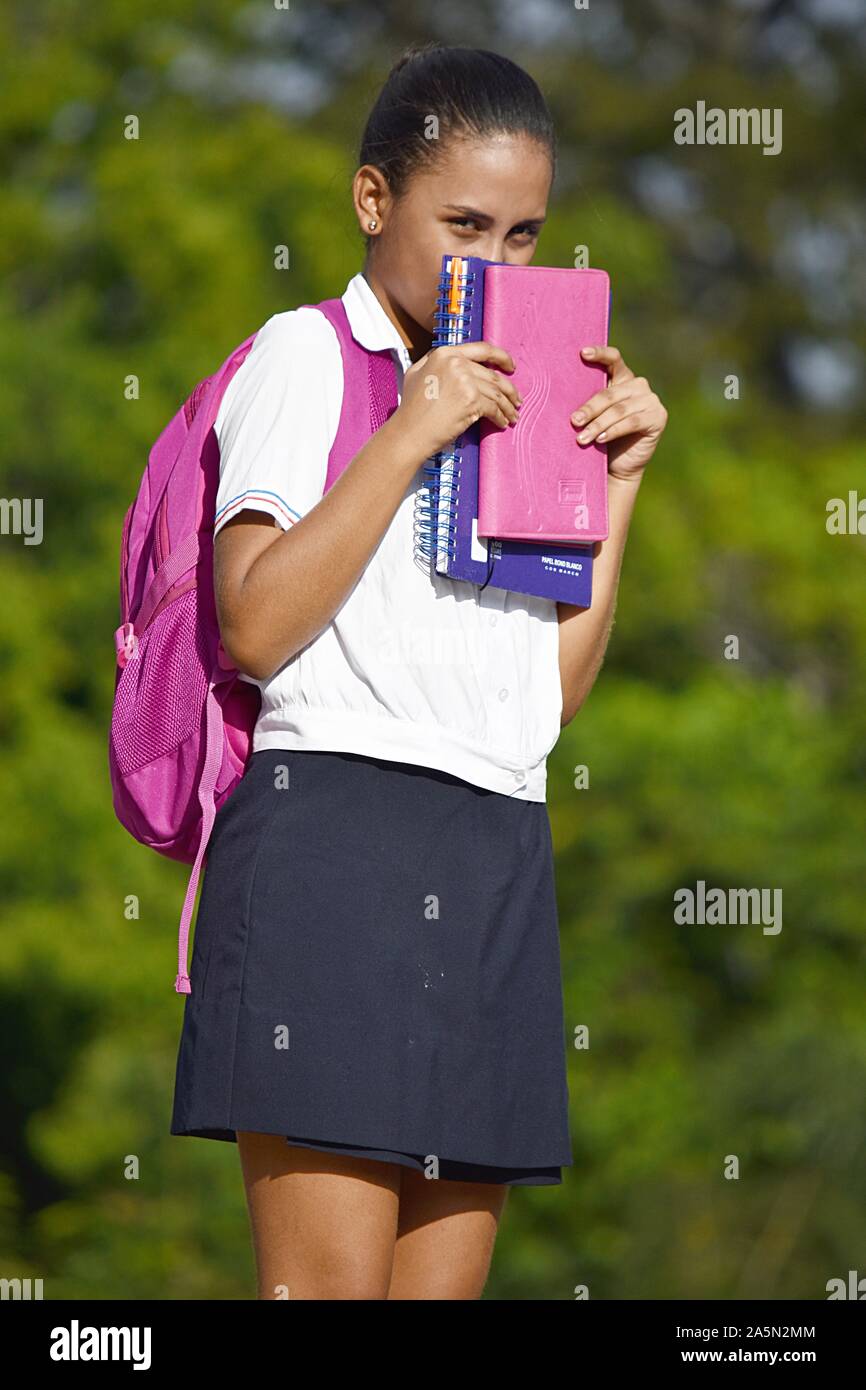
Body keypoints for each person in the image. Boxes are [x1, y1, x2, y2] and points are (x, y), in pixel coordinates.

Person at [170, 40, 668, 1300]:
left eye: (521, 234)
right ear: (372, 201)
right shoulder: (306, 354)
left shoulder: (528, 400)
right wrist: (412, 428)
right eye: (463, 224)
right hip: (334, 843)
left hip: (494, 847)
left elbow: (539, 703)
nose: (494, 267)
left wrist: (617, 493)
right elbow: (252, 625)